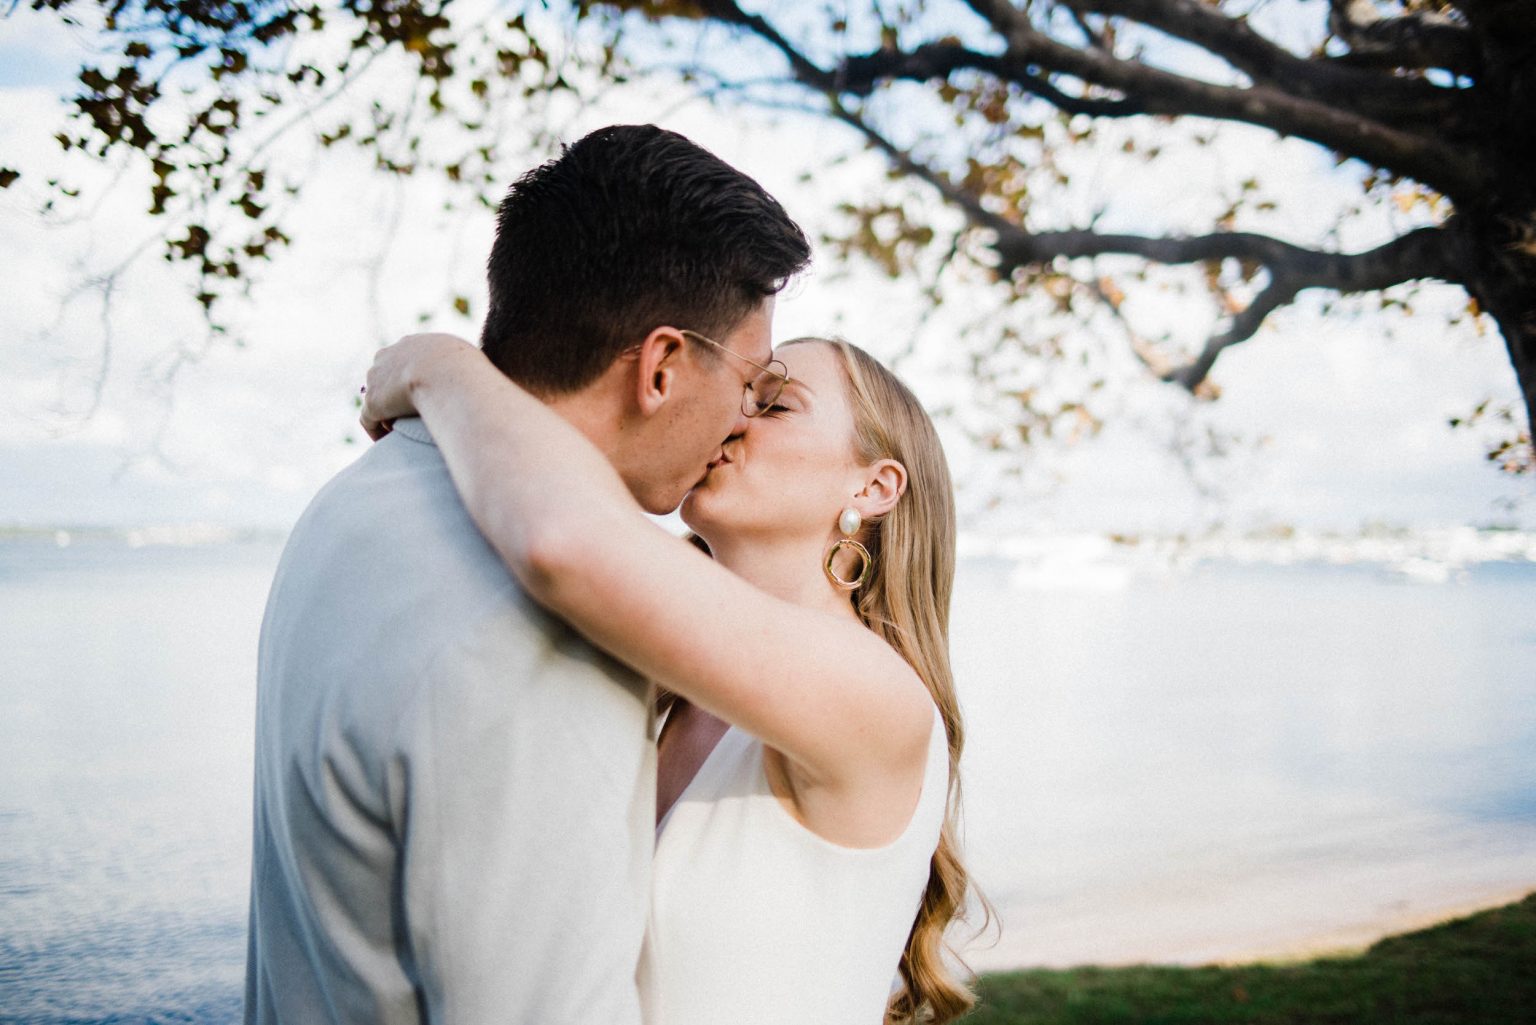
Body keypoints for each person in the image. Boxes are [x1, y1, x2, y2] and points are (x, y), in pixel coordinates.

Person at [244, 124, 811, 1024]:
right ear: (662, 366)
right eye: (751, 379)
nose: (743, 417)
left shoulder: (356, 500)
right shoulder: (553, 632)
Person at [359, 329, 980, 1024]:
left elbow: (564, 538)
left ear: (874, 484)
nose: (732, 417)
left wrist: (437, 367)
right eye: (742, 395)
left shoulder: (880, 698)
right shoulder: (656, 699)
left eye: (774, 406)